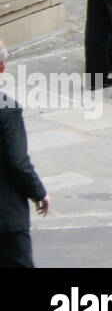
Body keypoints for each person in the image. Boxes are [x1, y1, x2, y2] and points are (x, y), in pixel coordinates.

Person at [0, 41, 50, 268]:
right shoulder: (7, 109)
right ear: (2, 67)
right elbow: (17, 161)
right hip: (5, 216)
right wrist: (38, 192)